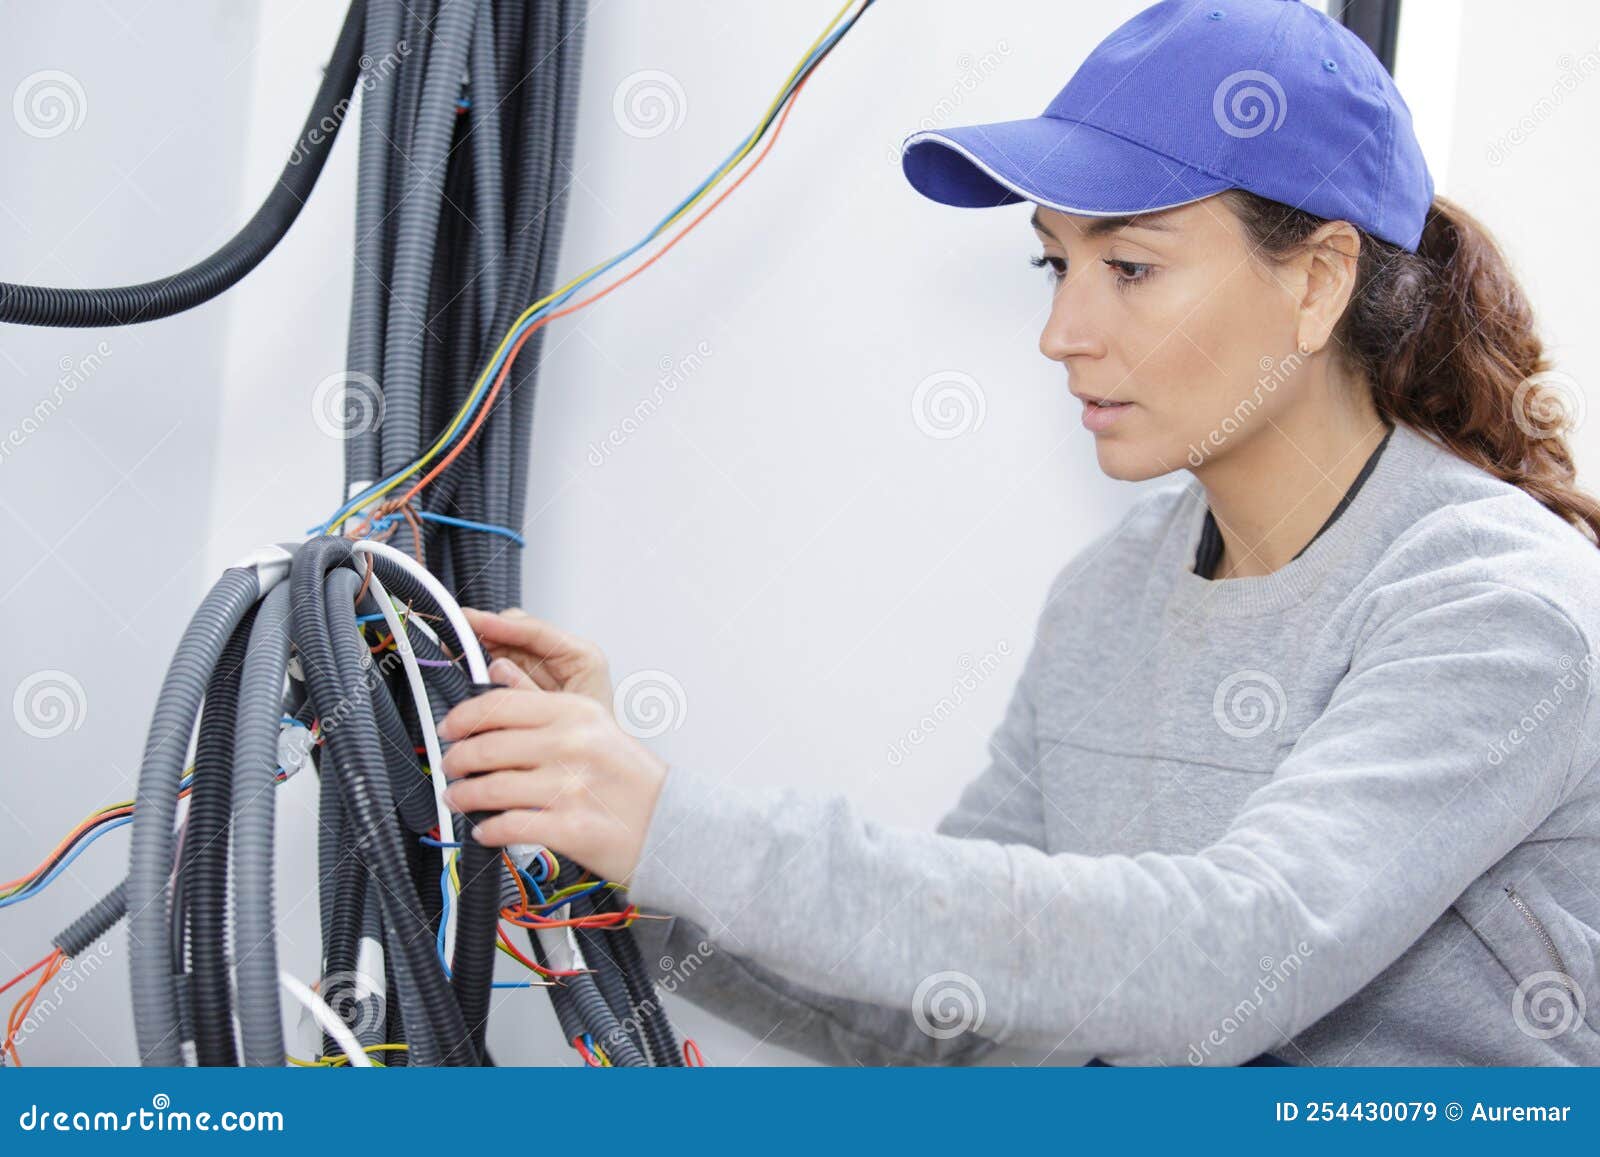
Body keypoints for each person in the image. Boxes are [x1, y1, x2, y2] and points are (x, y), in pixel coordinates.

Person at [436, 0, 1600, 1065]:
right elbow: (959, 1015)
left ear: (1317, 282)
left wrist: (671, 823)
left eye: (1130, 267)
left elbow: (1232, 959)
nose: (1061, 331)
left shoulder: (1501, 608)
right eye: (1056, 263)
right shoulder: (1111, 593)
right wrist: (623, 855)